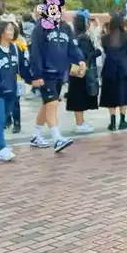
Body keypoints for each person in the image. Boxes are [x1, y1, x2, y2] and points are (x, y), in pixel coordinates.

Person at [29, 9, 85, 152]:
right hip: (45, 73)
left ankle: (35, 135)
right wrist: (36, 74)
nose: (63, 12)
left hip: (60, 72)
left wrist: (79, 59)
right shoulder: (41, 27)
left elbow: (72, 47)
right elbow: (35, 51)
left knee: (48, 104)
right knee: (52, 104)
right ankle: (57, 138)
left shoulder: (66, 28)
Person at [100, 12, 127, 130]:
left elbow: (106, 51)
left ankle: (112, 122)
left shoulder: (105, 38)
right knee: (124, 94)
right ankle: (122, 121)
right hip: (125, 69)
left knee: (110, 95)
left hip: (109, 68)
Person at [65, 12, 100, 133]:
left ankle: (80, 121)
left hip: (73, 69)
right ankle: (79, 124)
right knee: (79, 96)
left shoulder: (72, 37)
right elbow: (87, 55)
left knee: (76, 94)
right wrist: (98, 52)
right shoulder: (83, 38)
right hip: (81, 69)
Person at [0, 20, 24, 161]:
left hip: (11, 91)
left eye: (12, 29)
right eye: (9, 29)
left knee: (4, 118)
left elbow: (19, 69)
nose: (12, 31)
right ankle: (2, 148)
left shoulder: (14, 48)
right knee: (0, 121)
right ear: (2, 32)